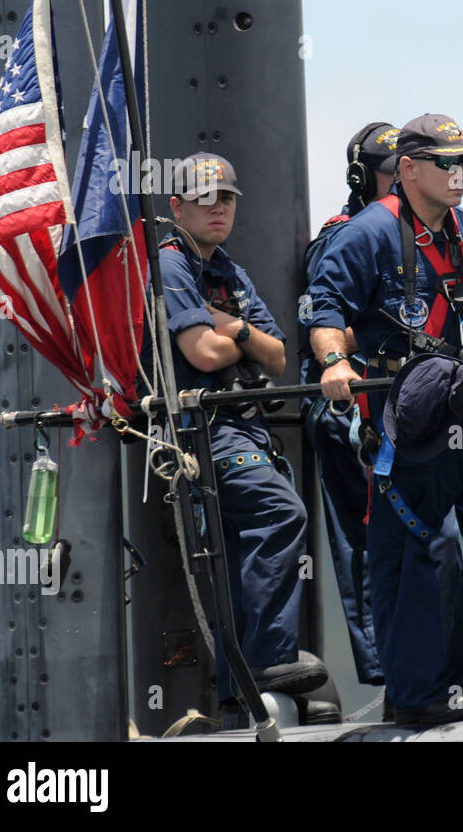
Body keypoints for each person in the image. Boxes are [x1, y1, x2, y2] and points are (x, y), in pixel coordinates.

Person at [304, 114, 463, 726]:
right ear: (407, 169)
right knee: (407, 543)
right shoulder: (367, 233)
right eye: (445, 162)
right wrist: (334, 361)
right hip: (410, 414)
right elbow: (324, 306)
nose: (458, 173)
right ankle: (416, 695)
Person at [157, 152, 328, 700]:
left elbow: (278, 357)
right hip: (201, 428)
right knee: (280, 514)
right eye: (205, 198)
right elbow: (203, 353)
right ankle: (266, 661)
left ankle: (242, 691)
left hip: (246, 426)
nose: (218, 208)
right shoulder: (169, 265)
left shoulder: (227, 270)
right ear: (176, 206)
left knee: (237, 551)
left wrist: (233, 327)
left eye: (227, 198)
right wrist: (237, 335)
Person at [298, 122, 462, 687]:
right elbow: (326, 316)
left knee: (442, 537)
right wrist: (338, 367)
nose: (405, 181)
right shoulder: (348, 235)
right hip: (356, 406)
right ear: (365, 177)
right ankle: (392, 673)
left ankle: (434, 667)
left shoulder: (440, 235)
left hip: (420, 407)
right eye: (393, 171)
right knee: (372, 540)